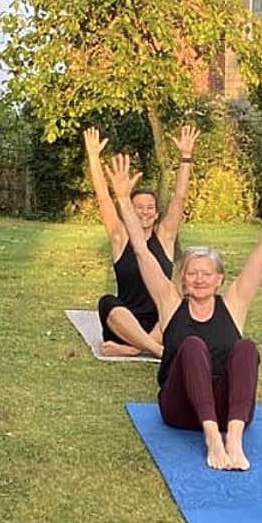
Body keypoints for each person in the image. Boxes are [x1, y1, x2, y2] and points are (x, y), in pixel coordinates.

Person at [105, 152, 262, 471]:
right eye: (192, 273)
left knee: (246, 347)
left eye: (207, 273)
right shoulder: (170, 303)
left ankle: (233, 439)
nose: (199, 279)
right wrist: (123, 198)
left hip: (229, 410)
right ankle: (212, 437)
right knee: (193, 345)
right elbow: (140, 248)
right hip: (181, 409)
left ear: (220, 279)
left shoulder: (234, 304)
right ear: (182, 279)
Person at [83, 124, 201, 358]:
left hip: (160, 323)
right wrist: (94, 158)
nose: (144, 213)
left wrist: (186, 157)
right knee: (106, 301)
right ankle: (155, 350)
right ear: (129, 210)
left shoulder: (164, 238)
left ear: (157, 213)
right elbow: (104, 199)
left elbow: (179, 197)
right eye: (138, 208)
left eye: (150, 208)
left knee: (179, 298)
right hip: (125, 323)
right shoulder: (120, 238)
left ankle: (136, 349)